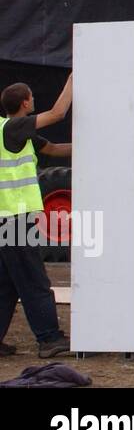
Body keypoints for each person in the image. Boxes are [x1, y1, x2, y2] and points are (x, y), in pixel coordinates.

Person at [0, 75, 73, 359]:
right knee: (34, 280)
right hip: (16, 219)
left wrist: (95, 149)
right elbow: (58, 113)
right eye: (31, 97)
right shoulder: (14, 128)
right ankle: (49, 339)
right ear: (25, 102)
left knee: (6, 283)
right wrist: (73, 77)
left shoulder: (14, 133)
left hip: (7, 218)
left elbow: (54, 150)